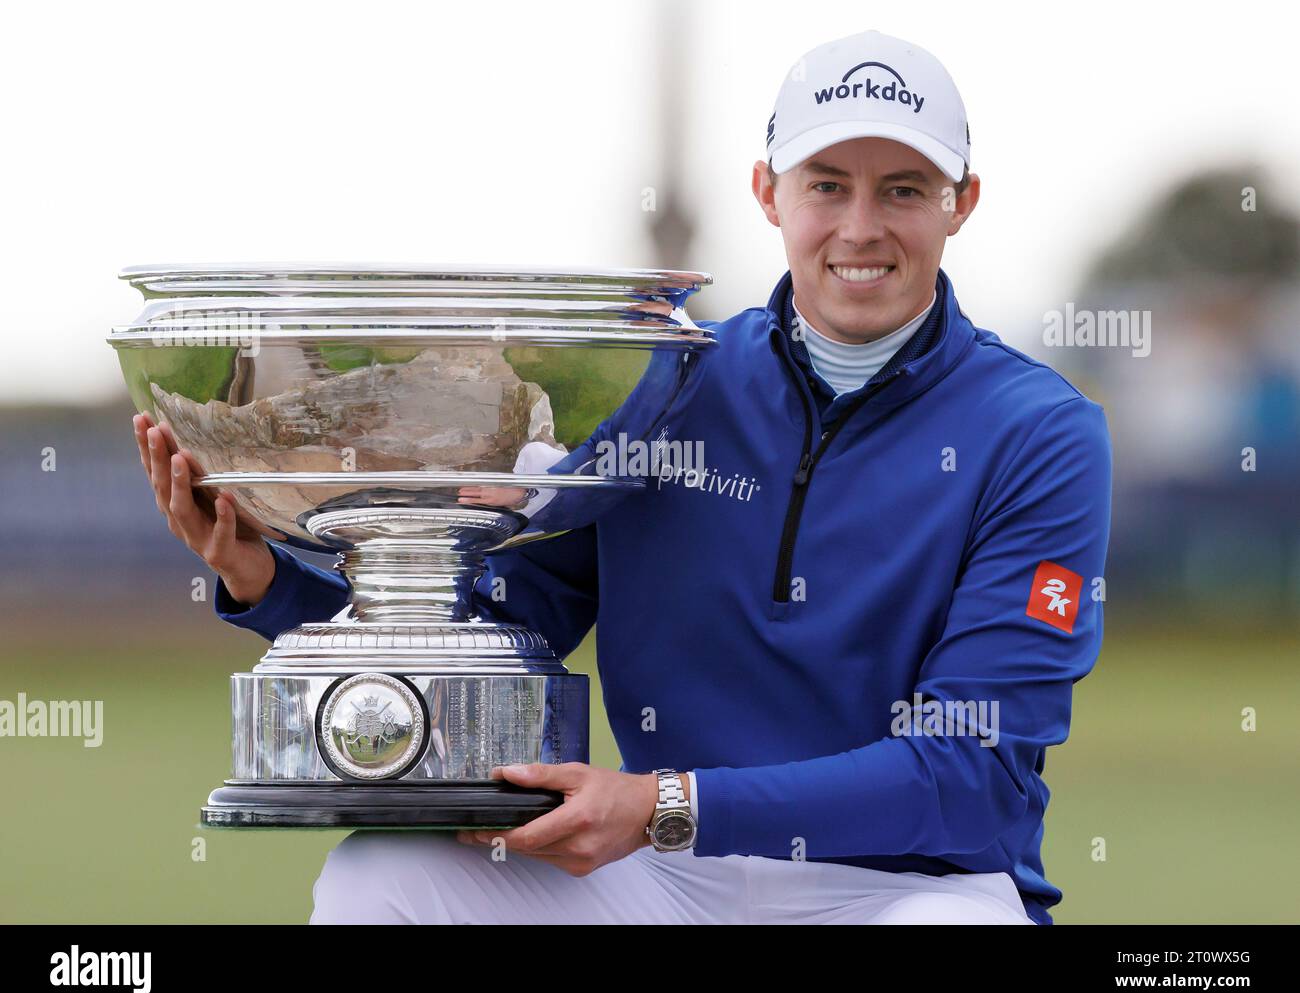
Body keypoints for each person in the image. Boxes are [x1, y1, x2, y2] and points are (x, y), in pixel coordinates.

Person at [133, 29, 1111, 925]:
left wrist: (666, 804)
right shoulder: (668, 381)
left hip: (915, 887)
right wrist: (271, 580)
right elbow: (518, 616)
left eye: (902, 187)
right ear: (768, 192)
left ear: (960, 202)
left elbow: (970, 771)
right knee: (381, 877)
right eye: (826, 185)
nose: (859, 226)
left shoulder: (1039, 433)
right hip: (669, 874)